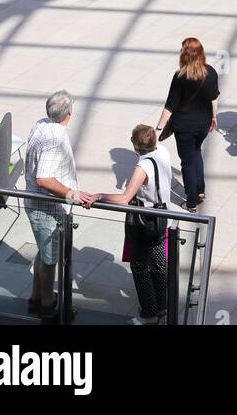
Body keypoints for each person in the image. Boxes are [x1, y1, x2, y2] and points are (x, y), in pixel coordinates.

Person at [24, 91, 95, 320]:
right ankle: (48, 305)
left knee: (44, 253)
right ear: (70, 113)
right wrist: (71, 193)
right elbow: (44, 178)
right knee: (50, 259)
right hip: (47, 210)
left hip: (36, 204)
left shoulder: (41, 125)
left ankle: (35, 299)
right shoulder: (55, 138)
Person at [97, 124, 173, 325]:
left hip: (145, 221)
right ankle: (161, 307)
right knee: (158, 263)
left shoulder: (142, 167)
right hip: (163, 216)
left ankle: (149, 313)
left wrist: (99, 196)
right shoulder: (163, 152)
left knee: (139, 265)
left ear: (136, 147)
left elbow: (124, 198)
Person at [155, 38, 219, 212]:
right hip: (204, 124)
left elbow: (170, 106)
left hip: (184, 127)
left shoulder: (180, 76)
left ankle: (191, 202)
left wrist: (158, 129)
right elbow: (214, 98)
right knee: (196, 153)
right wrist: (214, 117)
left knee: (187, 163)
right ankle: (200, 191)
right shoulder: (211, 72)